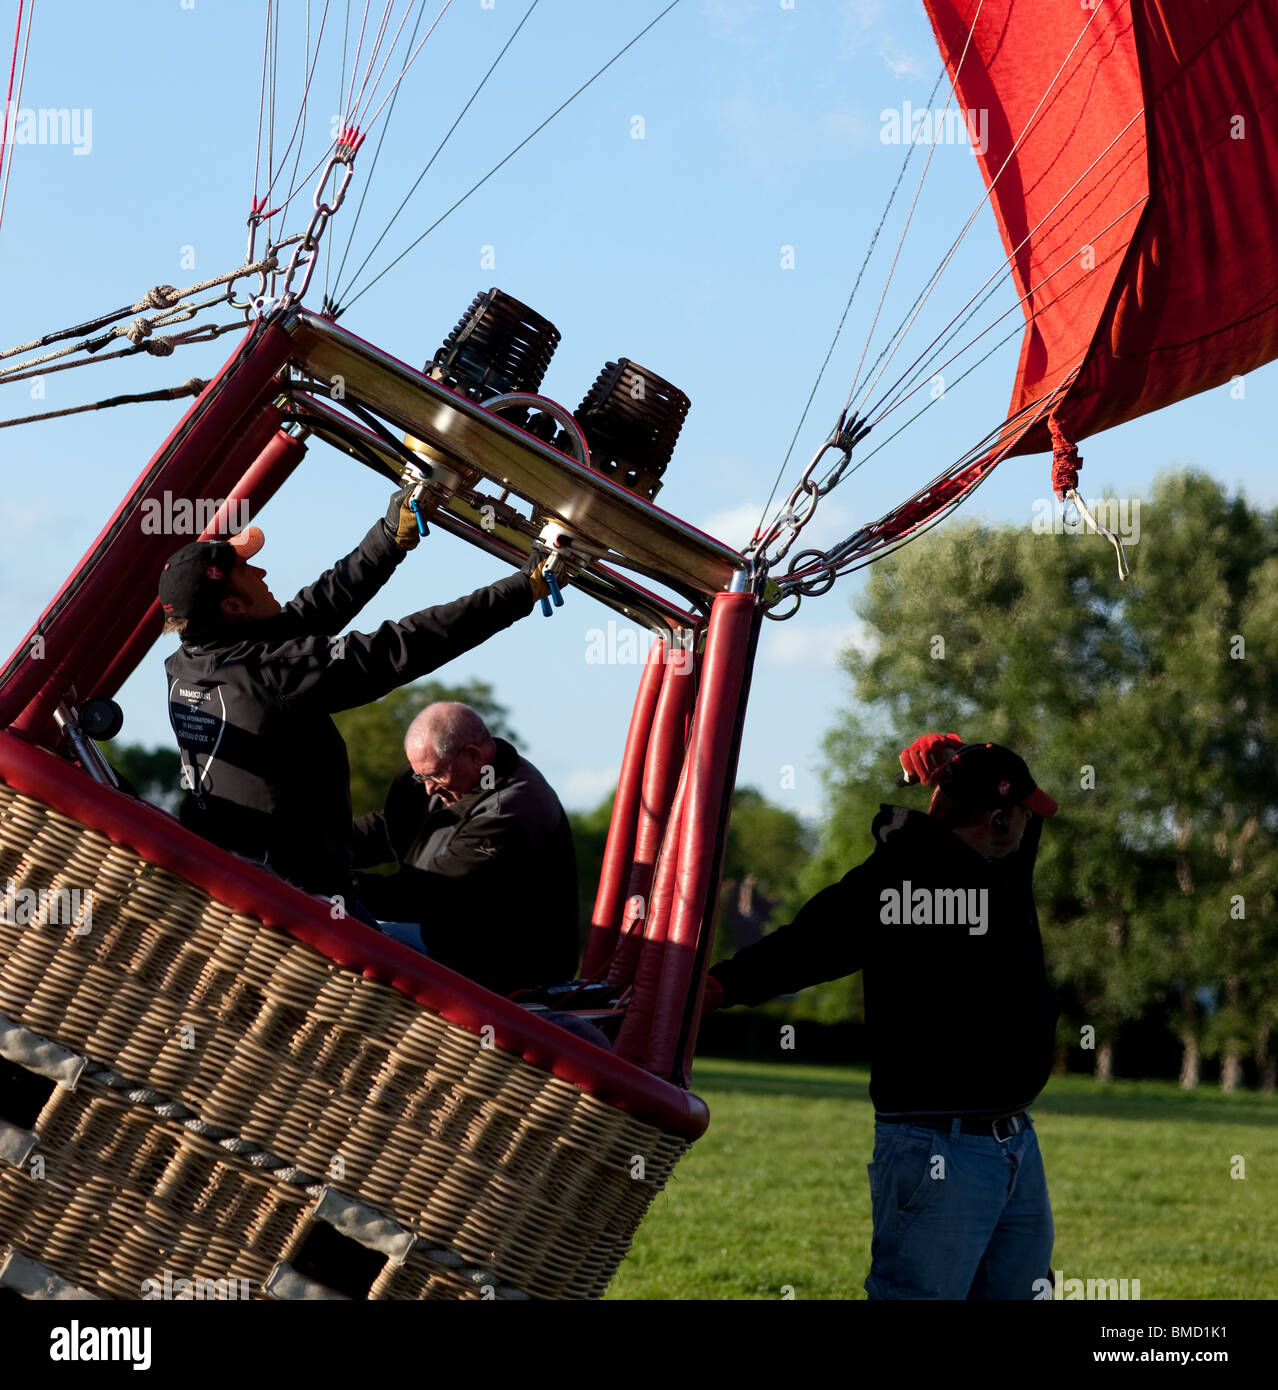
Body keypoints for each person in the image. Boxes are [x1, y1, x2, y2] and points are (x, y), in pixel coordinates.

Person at [703, 733, 1061, 1300]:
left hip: (1015, 1142)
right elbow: (806, 946)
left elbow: (1015, 810)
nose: (1029, 826)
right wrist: (719, 987)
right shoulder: (894, 882)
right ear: (996, 819)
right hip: (939, 1148)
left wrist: (961, 756)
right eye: (1021, 813)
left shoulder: (1004, 868)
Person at [160, 489, 547, 917]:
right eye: (248, 570)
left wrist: (389, 538)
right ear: (233, 606)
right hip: (299, 911)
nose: (263, 570)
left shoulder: (188, 665)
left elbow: (313, 612)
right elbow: (402, 647)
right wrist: (520, 591)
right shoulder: (271, 673)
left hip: (244, 890)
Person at [351, 702, 579, 996]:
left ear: (473, 756)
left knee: (350, 930)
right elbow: (386, 829)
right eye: (421, 777)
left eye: (433, 776)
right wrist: (311, 848)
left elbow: (424, 895)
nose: (428, 789)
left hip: (501, 964)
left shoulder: (508, 813)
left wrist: (333, 884)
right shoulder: (455, 781)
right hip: (447, 937)